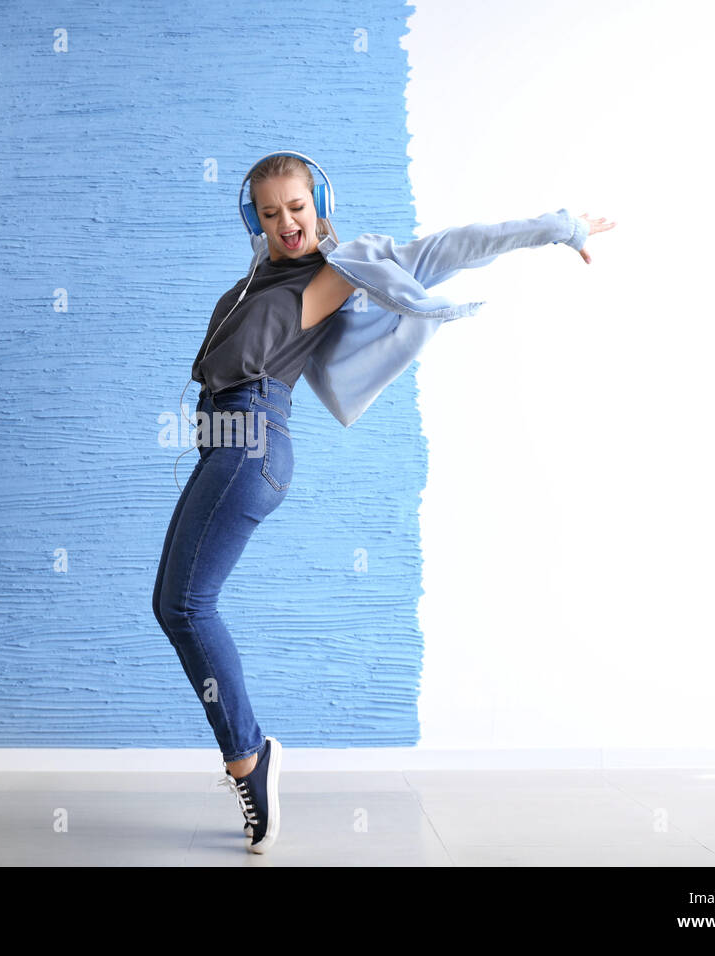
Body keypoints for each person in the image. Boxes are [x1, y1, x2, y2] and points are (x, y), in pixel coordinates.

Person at [153, 153, 615, 854]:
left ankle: (248, 761)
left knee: (187, 606)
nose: (288, 224)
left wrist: (558, 226)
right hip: (225, 439)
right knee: (173, 603)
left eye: (298, 207)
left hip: (253, 440)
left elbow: (447, 247)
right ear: (254, 218)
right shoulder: (255, 282)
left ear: (320, 204)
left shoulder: (336, 272)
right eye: (271, 212)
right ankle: (249, 758)